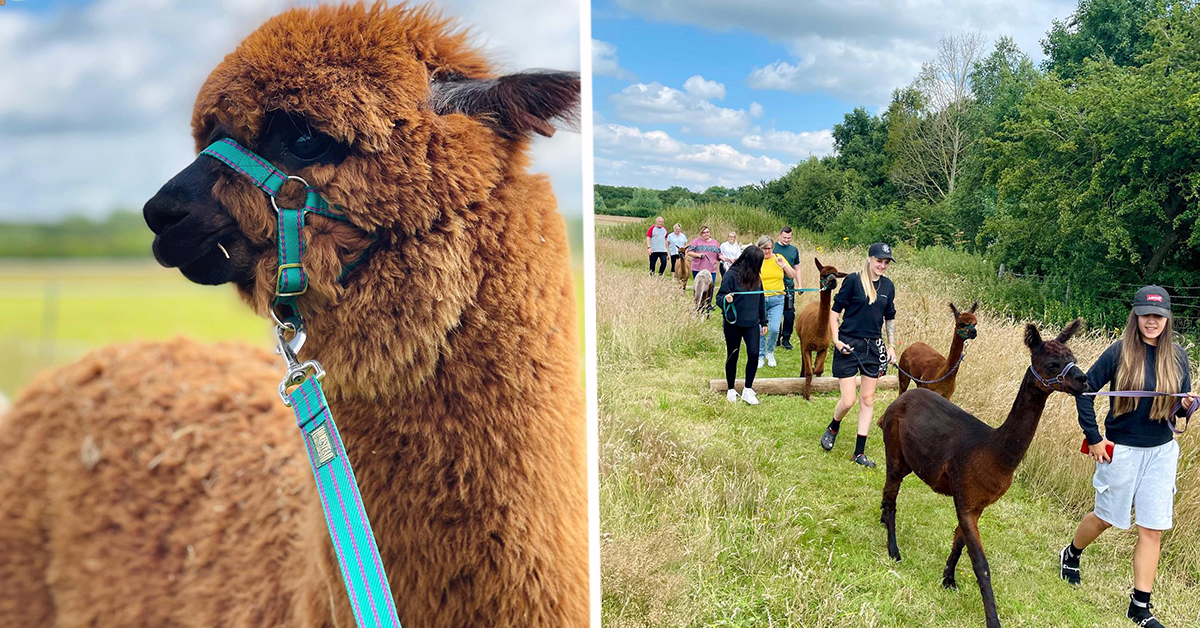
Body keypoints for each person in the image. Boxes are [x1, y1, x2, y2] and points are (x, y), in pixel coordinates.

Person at [1058, 286, 1197, 628]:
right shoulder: (1118, 352)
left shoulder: (1178, 356)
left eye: (1158, 316)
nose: (1152, 321)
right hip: (1121, 450)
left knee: (1153, 528)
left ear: (1166, 318)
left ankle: (1139, 606)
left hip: (1162, 452)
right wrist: (1093, 439)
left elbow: (1178, 411)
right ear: (1135, 316)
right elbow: (1084, 390)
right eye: (1146, 315)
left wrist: (1186, 406)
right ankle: (1071, 553)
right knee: (1107, 517)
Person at [820, 242, 897, 468]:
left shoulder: (888, 287)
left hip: (873, 346)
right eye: (879, 261)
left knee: (867, 399)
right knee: (848, 400)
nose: (882, 265)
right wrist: (836, 340)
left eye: (886, 262)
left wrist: (891, 346)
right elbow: (835, 313)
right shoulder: (853, 281)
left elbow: (889, 317)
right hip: (849, 343)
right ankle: (834, 425)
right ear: (870, 258)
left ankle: (859, 453)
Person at [716, 246, 768, 405]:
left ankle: (747, 389)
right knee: (733, 354)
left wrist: (763, 320)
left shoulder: (756, 277)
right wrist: (726, 299)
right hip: (733, 322)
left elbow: (761, 299)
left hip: (752, 322)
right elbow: (719, 297)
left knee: (753, 354)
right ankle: (731, 389)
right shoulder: (731, 275)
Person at [756, 235, 796, 370]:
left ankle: (770, 352)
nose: (766, 251)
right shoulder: (756, 260)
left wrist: (783, 265)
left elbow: (792, 275)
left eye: (769, 248)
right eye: (763, 249)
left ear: (772, 248)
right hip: (760, 299)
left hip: (777, 299)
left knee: (774, 328)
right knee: (761, 329)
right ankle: (760, 356)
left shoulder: (779, 257)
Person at [774, 227, 801, 350]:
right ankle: (776, 338)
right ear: (780, 235)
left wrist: (799, 285)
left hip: (789, 285)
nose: (786, 240)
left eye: (789, 238)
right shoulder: (772, 248)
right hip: (775, 285)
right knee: (776, 312)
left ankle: (786, 339)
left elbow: (797, 268)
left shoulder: (794, 250)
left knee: (789, 313)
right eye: (784, 237)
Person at [686, 226, 721, 308]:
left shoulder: (715, 243)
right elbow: (689, 252)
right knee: (698, 288)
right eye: (704, 232)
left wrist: (723, 258)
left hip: (711, 269)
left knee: (710, 288)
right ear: (701, 234)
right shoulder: (696, 242)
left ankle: (708, 304)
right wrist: (698, 255)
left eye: (707, 232)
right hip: (698, 269)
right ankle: (697, 303)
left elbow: (719, 254)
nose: (706, 234)